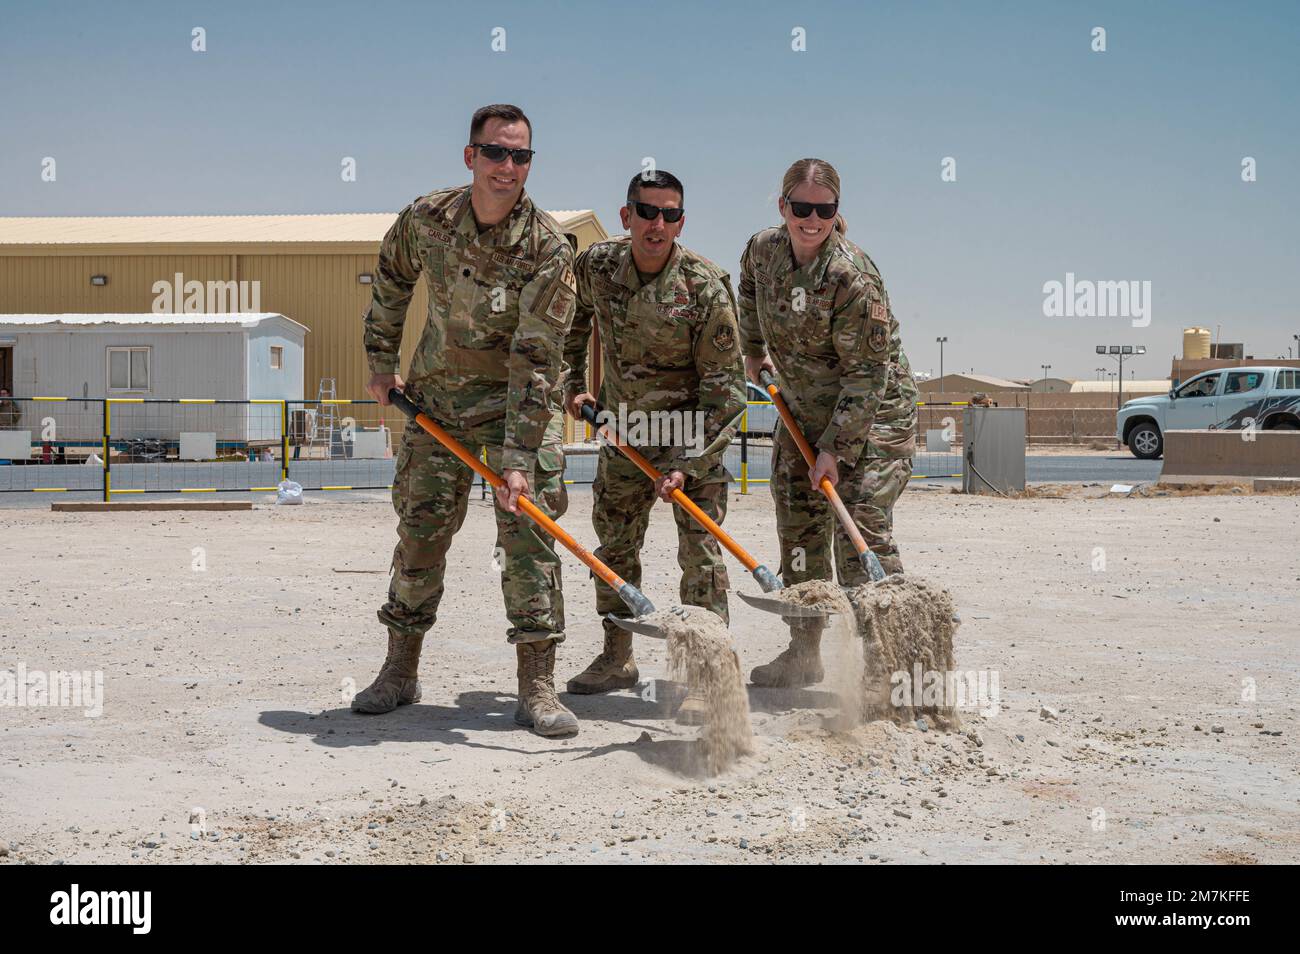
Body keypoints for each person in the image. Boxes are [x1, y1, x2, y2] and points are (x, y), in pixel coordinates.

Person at [355, 104, 580, 737]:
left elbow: (538, 360)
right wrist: (381, 360)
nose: (508, 167)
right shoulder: (427, 218)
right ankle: (400, 669)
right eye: (496, 153)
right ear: (470, 156)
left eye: (521, 156)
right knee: (420, 532)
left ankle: (537, 685)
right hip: (435, 405)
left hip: (516, 409)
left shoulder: (548, 248)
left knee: (529, 540)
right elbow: (392, 280)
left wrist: (516, 459)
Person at [562, 170, 745, 722]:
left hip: (693, 440)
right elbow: (571, 324)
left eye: (669, 215)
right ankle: (618, 657)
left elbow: (728, 395)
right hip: (625, 436)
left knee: (701, 559)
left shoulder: (705, 286)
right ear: (626, 216)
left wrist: (689, 466)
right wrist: (574, 383)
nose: (656, 224)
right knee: (613, 548)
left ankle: (706, 674)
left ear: (681, 222)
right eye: (646, 212)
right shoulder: (596, 267)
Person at [738, 157, 917, 688]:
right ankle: (803, 651)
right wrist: (752, 350)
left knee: (858, 527)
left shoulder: (851, 276)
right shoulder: (763, 250)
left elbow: (867, 374)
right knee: (797, 521)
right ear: (783, 206)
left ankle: (892, 666)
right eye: (801, 208)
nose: (811, 219)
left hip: (874, 415)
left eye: (824, 210)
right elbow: (747, 290)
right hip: (803, 407)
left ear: (837, 212)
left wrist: (835, 450)